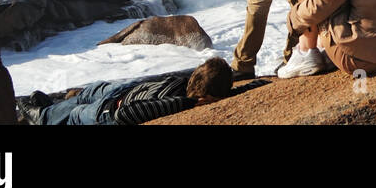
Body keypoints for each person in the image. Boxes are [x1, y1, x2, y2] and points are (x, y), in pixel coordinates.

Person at [22, 58, 232, 125]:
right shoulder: (183, 92)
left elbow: (124, 114)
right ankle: (53, 107)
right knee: (85, 98)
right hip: (119, 96)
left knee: (75, 113)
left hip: (112, 105)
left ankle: (39, 113)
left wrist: (187, 103)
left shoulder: (182, 91)